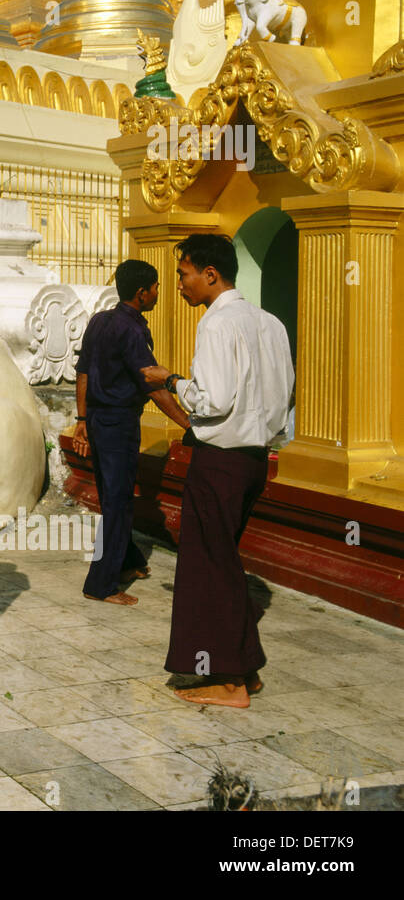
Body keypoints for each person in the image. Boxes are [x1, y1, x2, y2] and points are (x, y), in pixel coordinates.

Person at [142, 234, 295, 708]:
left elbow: (212, 400)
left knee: (210, 567)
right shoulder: (271, 324)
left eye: (184, 274)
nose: (181, 285)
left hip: (220, 461)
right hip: (254, 462)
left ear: (210, 274)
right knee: (221, 561)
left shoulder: (215, 324)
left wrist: (167, 379)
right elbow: (285, 399)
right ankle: (242, 671)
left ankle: (228, 679)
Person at [72, 259, 192, 606]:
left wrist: (81, 419)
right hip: (119, 424)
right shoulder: (132, 330)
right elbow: (153, 385)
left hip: (96, 420)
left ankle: (130, 561)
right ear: (142, 293)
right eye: (155, 287)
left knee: (114, 495)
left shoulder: (100, 321)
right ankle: (102, 583)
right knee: (120, 501)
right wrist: (187, 423)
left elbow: (83, 373)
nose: (158, 292)